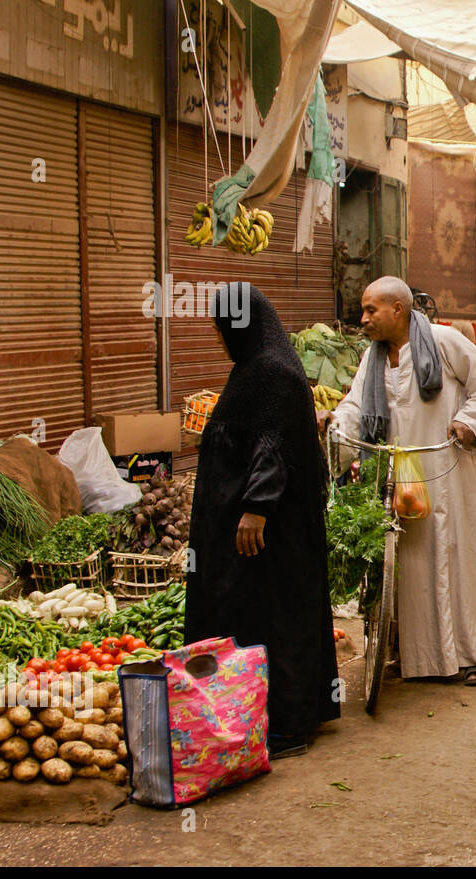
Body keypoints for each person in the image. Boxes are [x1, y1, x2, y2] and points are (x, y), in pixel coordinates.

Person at [325, 276, 476, 686]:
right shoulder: (371, 359)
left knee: (459, 560)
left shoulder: (443, 342)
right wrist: (335, 425)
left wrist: (467, 422)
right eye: (363, 310)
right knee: (408, 567)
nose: (364, 318)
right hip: (398, 480)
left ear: (398, 310)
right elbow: (355, 406)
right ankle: (414, 655)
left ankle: (472, 655)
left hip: (448, 474)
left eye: (371, 310)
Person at [186, 283, 339, 758]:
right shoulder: (257, 367)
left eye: (220, 327)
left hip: (270, 533)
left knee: (275, 618)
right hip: (252, 530)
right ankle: (255, 715)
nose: (217, 336)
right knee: (255, 616)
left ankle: (285, 725)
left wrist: (256, 508)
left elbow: (273, 447)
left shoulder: (272, 372)